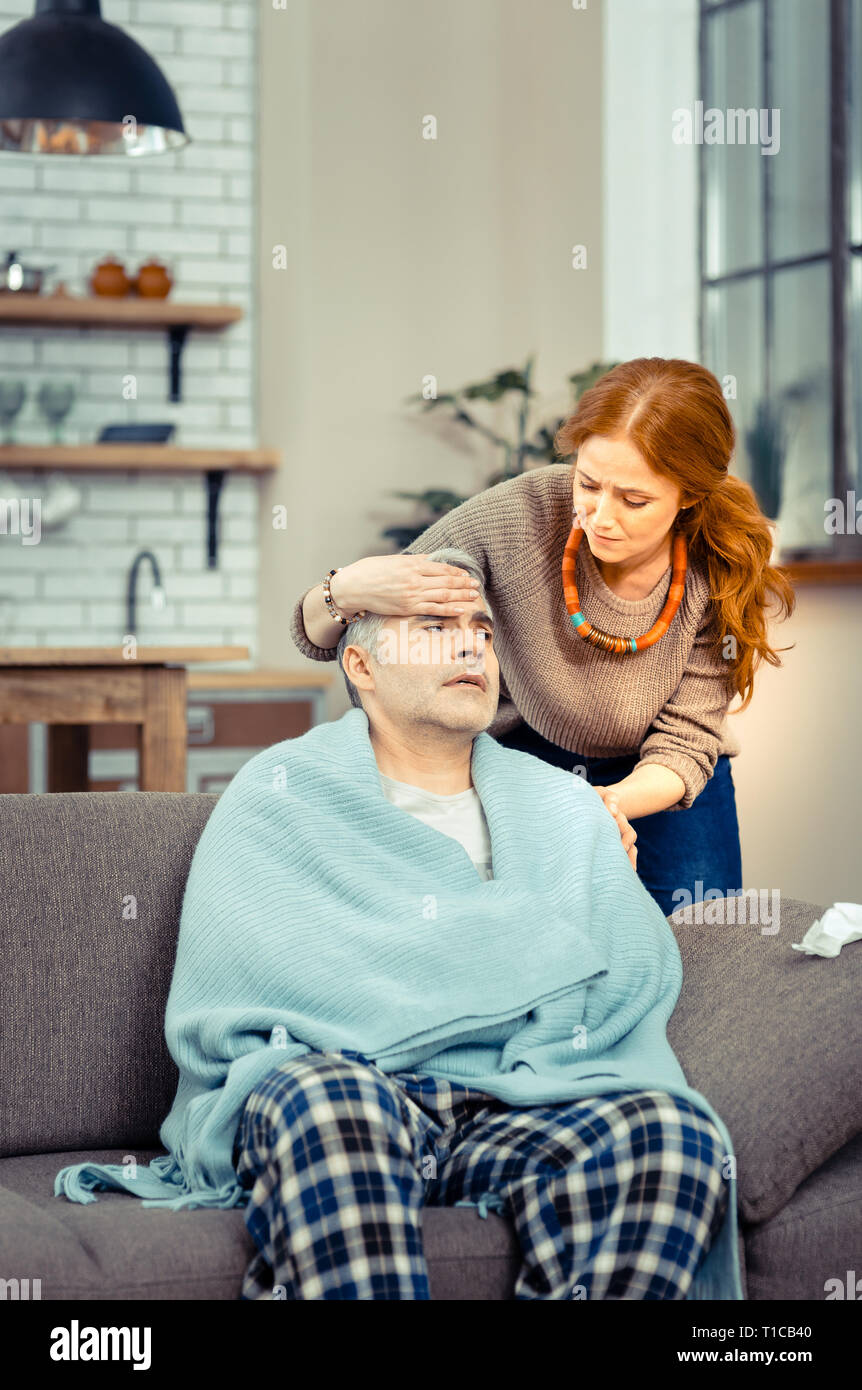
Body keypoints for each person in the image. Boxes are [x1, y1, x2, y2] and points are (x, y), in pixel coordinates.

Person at [54, 546, 743, 1300]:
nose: (471, 643)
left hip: (519, 1095)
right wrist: (515, 958)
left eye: (482, 629)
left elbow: (634, 973)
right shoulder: (280, 793)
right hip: (351, 1087)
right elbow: (233, 997)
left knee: (673, 1139)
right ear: (361, 668)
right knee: (322, 1101)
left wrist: (475, 985)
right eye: (435, 625)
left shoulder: (565, 806)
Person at [289, 357, 795, 916]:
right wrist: (346, 588)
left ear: (690, 496)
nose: (600, 516)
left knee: (703, 947)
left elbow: (687, 740)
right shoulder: (521, 516)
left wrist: (605, 805)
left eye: (634, 500)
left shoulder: (721, 564)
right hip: (528, 756)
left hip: (668, 776)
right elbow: (347, 634)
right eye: (588, 484)